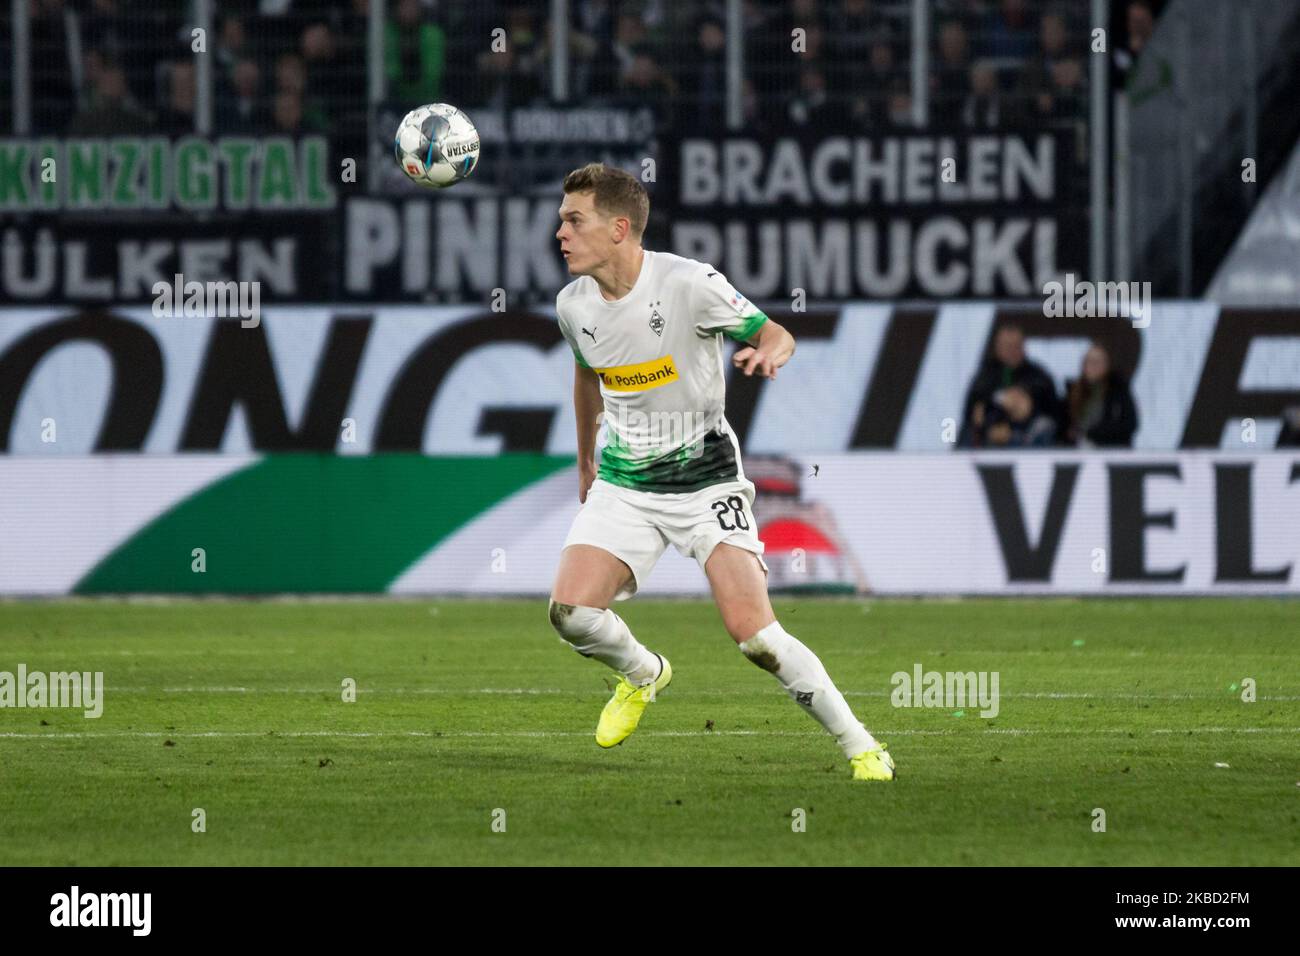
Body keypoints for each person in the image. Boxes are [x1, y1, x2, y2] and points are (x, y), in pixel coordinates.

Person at [548, 163, 895, 782]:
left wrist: (768, 352)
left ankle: (861, 745)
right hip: (625, 484)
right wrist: (585, 461)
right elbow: (586, 377)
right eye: (561, 221)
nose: (561, 233)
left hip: (706, 481)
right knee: (571, 613)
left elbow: (778, 333)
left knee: (755, 638)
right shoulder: (573, 305)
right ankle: (642, 673)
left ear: (620, 227)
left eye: (575, 220)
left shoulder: (689, 283)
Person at [959, 322, 1060, 447]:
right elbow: (973, 407)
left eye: (1015, 346)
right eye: (1006, 346)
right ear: (997, 347)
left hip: (1025, 436)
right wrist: (1000, 400)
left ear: (1023, 346)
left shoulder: (1038, 375)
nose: (1011, 350)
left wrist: (1021, 407)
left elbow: (1050, 408)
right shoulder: (985, 374)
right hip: (989, 433)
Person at [1064, 342, 1138, 447]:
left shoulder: (1118, 391)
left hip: (1110, 453)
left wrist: (1094, 433)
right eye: (1089, 361)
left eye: (1097, 362)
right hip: (1078, 452)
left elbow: (1130, 424)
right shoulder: (1074, 393)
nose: (1093, 366)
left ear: (1107, 364)